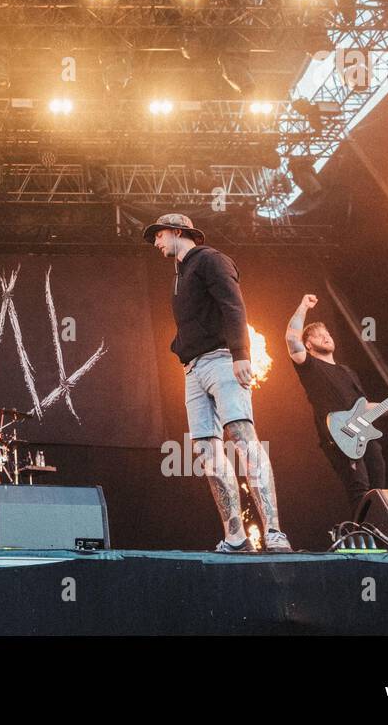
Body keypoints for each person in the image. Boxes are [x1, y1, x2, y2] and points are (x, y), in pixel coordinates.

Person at [144, 213, 292, 553]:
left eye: (159, 234)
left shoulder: (210, 259)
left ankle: (273, 532)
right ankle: (236, 537)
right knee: (207, 451)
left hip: (223, 360)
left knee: (241, 435)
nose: (156, 242)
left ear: (178, 231)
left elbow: (233, 304)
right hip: (193, 369)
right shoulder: (179, 275)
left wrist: (241, 353)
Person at [285, 294, 388, 516]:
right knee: (359, 488)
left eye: (327, 333)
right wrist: (303, 306)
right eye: (318, 335)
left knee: (378, 487)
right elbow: (290, 339)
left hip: (363, 434)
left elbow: (365, 408)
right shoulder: (310, 366)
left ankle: (379, 536)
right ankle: (362, 542)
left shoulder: (347, 372)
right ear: (308, 344)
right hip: (339, 435)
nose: (326, 337)